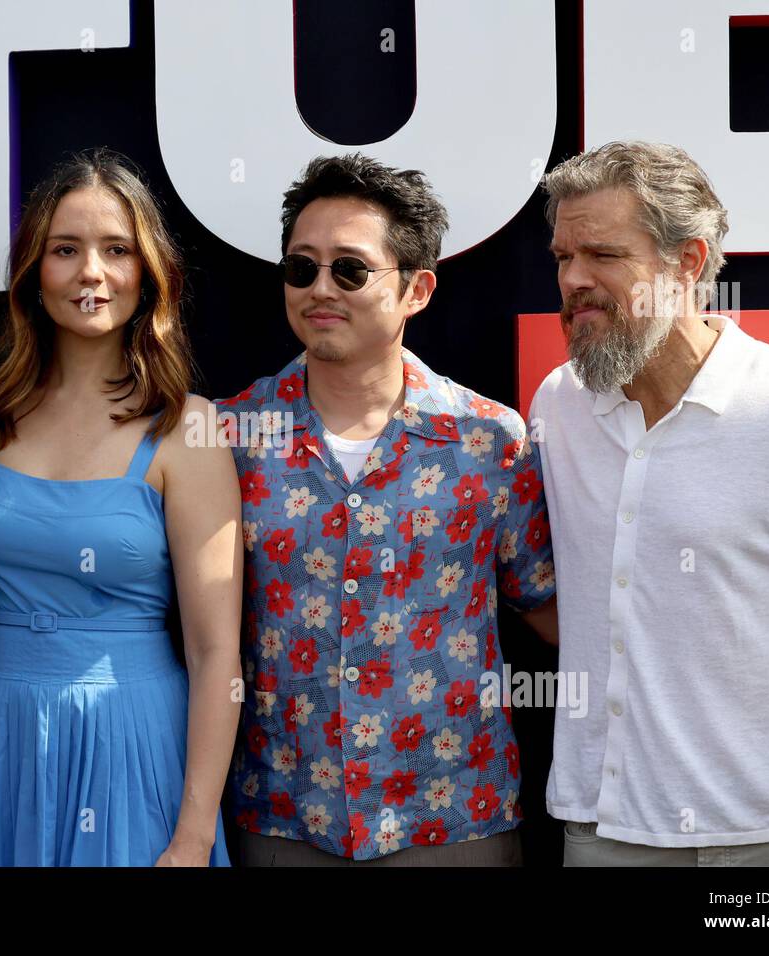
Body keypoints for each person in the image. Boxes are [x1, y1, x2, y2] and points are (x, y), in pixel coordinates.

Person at [532, 140, 769, 866]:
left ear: (688, 263)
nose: (574, 280)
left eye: (602, 255)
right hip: (603, 833)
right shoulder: (558, 406)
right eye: (563, 258)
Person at [221, 153, 559, 866]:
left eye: (349, 269)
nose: (319, 288)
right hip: (284, 819)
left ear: (417, 289)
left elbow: (550, 611)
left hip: (453, 820)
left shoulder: (489, 440)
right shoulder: (230, 436)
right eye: (300, 267)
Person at [0, 149, 241, 867]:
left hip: (132, 745)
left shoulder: (185, 427)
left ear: (149, 273)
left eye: (117, 251)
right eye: (65, 250)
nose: (91, 274)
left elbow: (215, 649)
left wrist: (194, 835)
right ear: (32, 272)